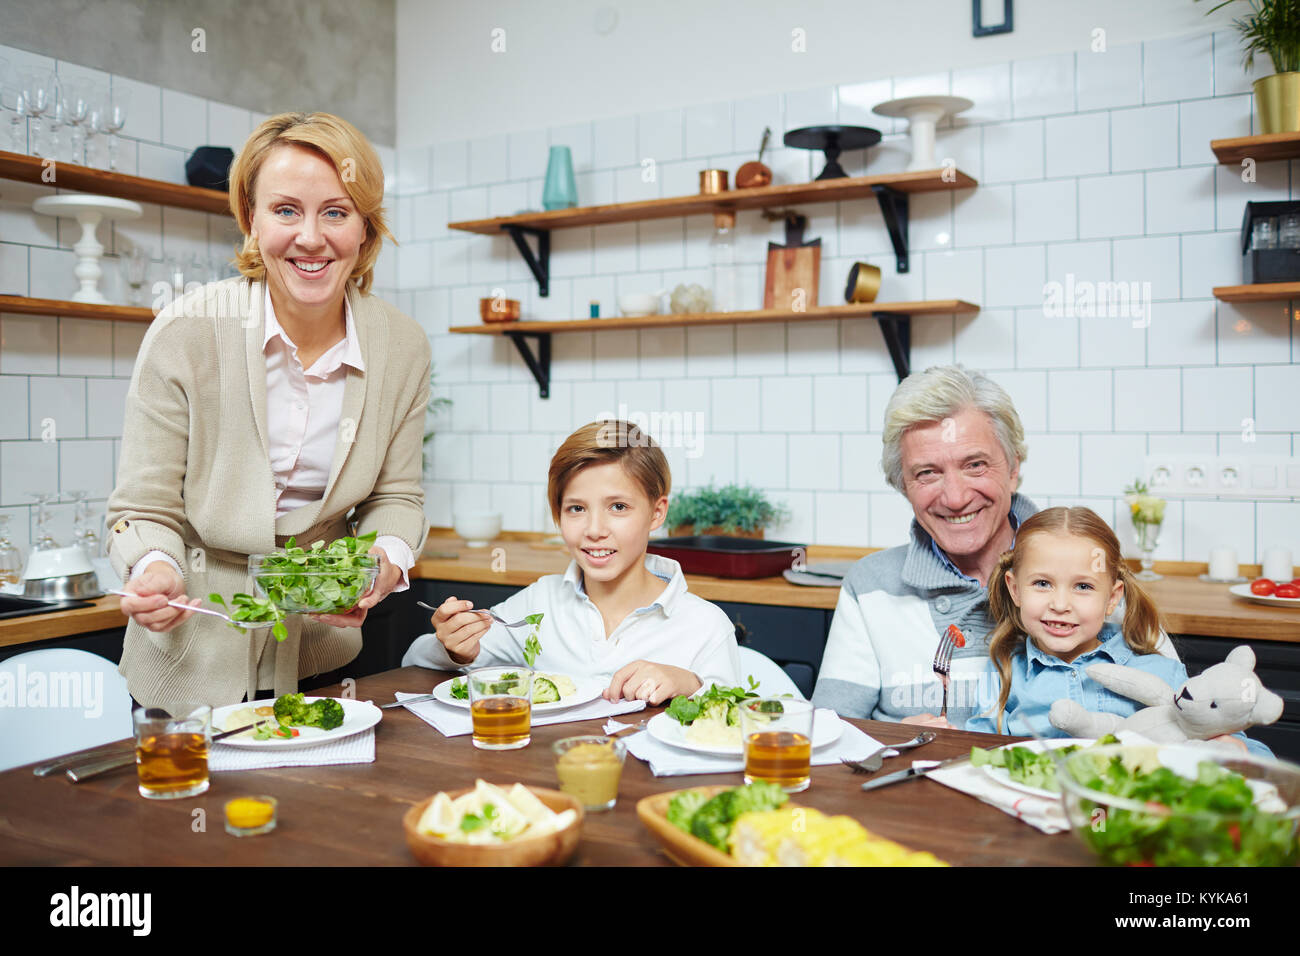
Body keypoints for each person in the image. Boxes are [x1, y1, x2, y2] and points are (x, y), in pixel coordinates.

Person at [110, 112, 430, 707]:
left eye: (336, 212)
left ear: (365, 227)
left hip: (322, 658)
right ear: (251, 220)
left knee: (322, 802)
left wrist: (384, 560)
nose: (311, 237)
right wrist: (155, 564)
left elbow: (397, 498)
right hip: (190, 660)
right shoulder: (187, 330)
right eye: (286, 210)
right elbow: (143, 505)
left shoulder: (403, 346)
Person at [402, 420, 741, 702]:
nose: (594, 530)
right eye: (576, 509)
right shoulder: (540, 602)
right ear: (558, 515)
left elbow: (738, 722)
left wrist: (691, 686)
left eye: (618, 507)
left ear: (657, 512)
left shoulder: (705, 626)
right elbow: (415, 661)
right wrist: (457, 648)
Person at [811, 365, 1036, 725]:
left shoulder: (1084, 569)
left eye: (975, 465)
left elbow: (1155, 723)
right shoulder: (870, 584)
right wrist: (892, 742)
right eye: (927, 473)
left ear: (1012, 469)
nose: (956, 497)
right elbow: (827, 733)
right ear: (903, 486)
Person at [966, 507, 1270, 757]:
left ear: (1112, 598)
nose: (1060, 604)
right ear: (1015, 590)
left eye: (1083, 586)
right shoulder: (1004, 670)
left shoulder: (1157, 670)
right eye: (1042, 584)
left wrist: (1234, 749)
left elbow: (1245, 746)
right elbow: (977, 751)